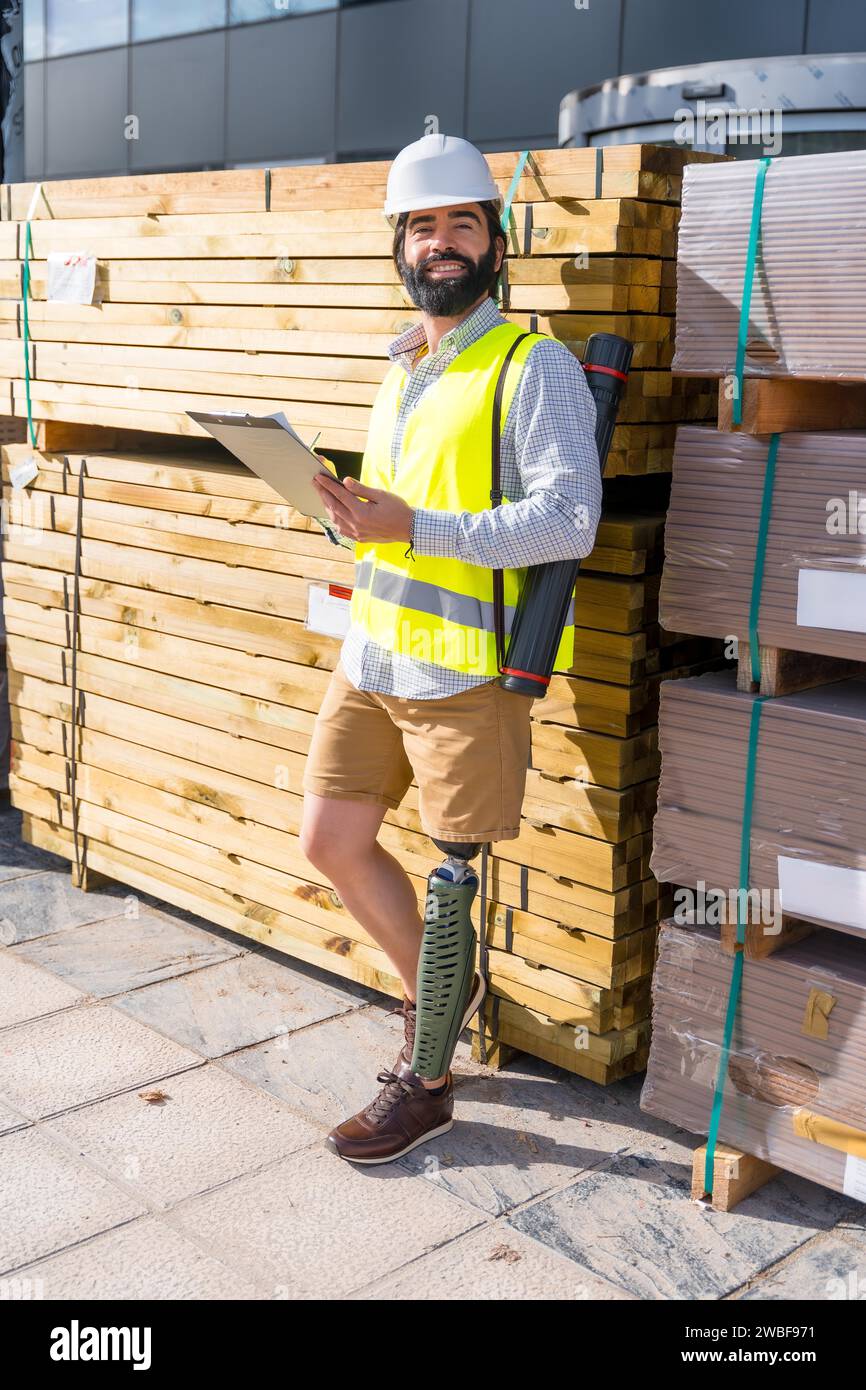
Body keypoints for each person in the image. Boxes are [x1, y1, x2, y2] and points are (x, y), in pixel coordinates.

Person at [300, 132, 601, 1164]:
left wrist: (412, 527)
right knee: (329, 842)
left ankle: (423, 1080)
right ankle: (443, 994)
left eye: (460, 223)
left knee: (449, 883)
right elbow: (404, 505)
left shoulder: (533, 365)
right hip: (372, 650)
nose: (441, 243)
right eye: (422, 225)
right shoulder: (405, 362)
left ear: (494, 241)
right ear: (398, 243)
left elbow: (569, 520)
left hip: (459, 671)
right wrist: (348, 516)